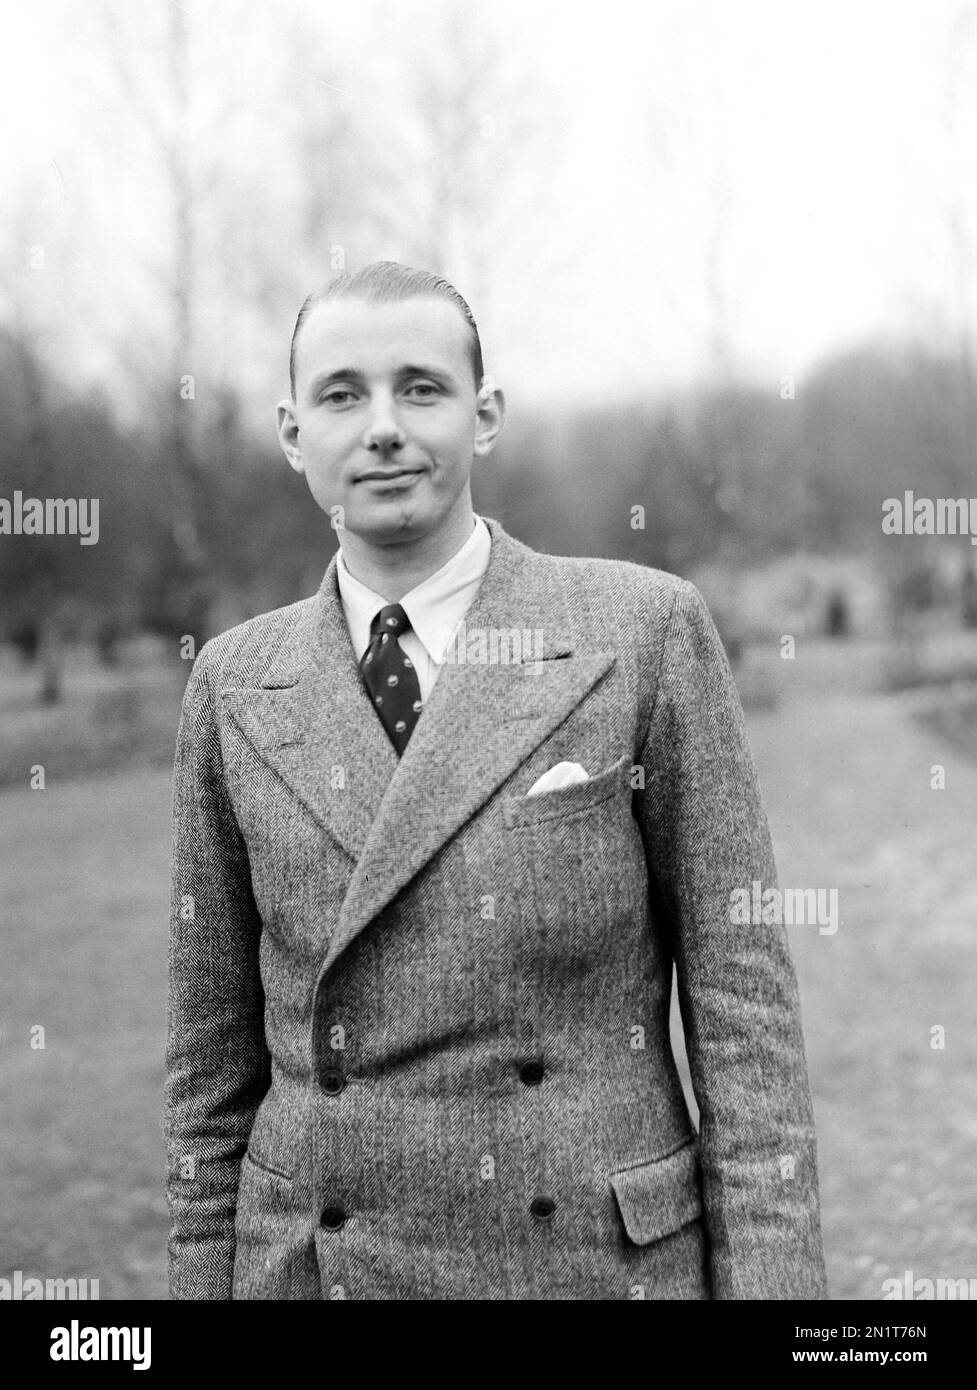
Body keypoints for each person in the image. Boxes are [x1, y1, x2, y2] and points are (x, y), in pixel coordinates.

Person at [165, 261, 827, 1300]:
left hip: (590, 1269)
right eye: (342, 393)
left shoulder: (641, 631)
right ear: (295, 435)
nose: (382, 426)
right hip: (319, 1271)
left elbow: (743, 1011)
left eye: (420, 387)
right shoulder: (233, 682)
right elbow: (206, 1072)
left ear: (484, 417)